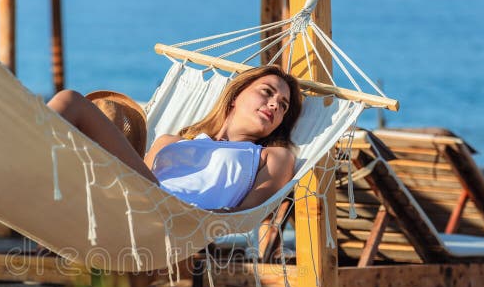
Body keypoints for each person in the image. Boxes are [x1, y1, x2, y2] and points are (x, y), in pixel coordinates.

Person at [47, 65, 302, 211]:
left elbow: (244, 214)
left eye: (283, 106)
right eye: (267, 92)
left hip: (176, 215)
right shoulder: (170, 142)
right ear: (235, 96)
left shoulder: (273, 156)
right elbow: (137, 182)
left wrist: (196, 221)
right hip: (137, 199)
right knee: (68, 103)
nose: (274, 105)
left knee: (71, 102)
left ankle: (22, 156)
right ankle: (29, 159)